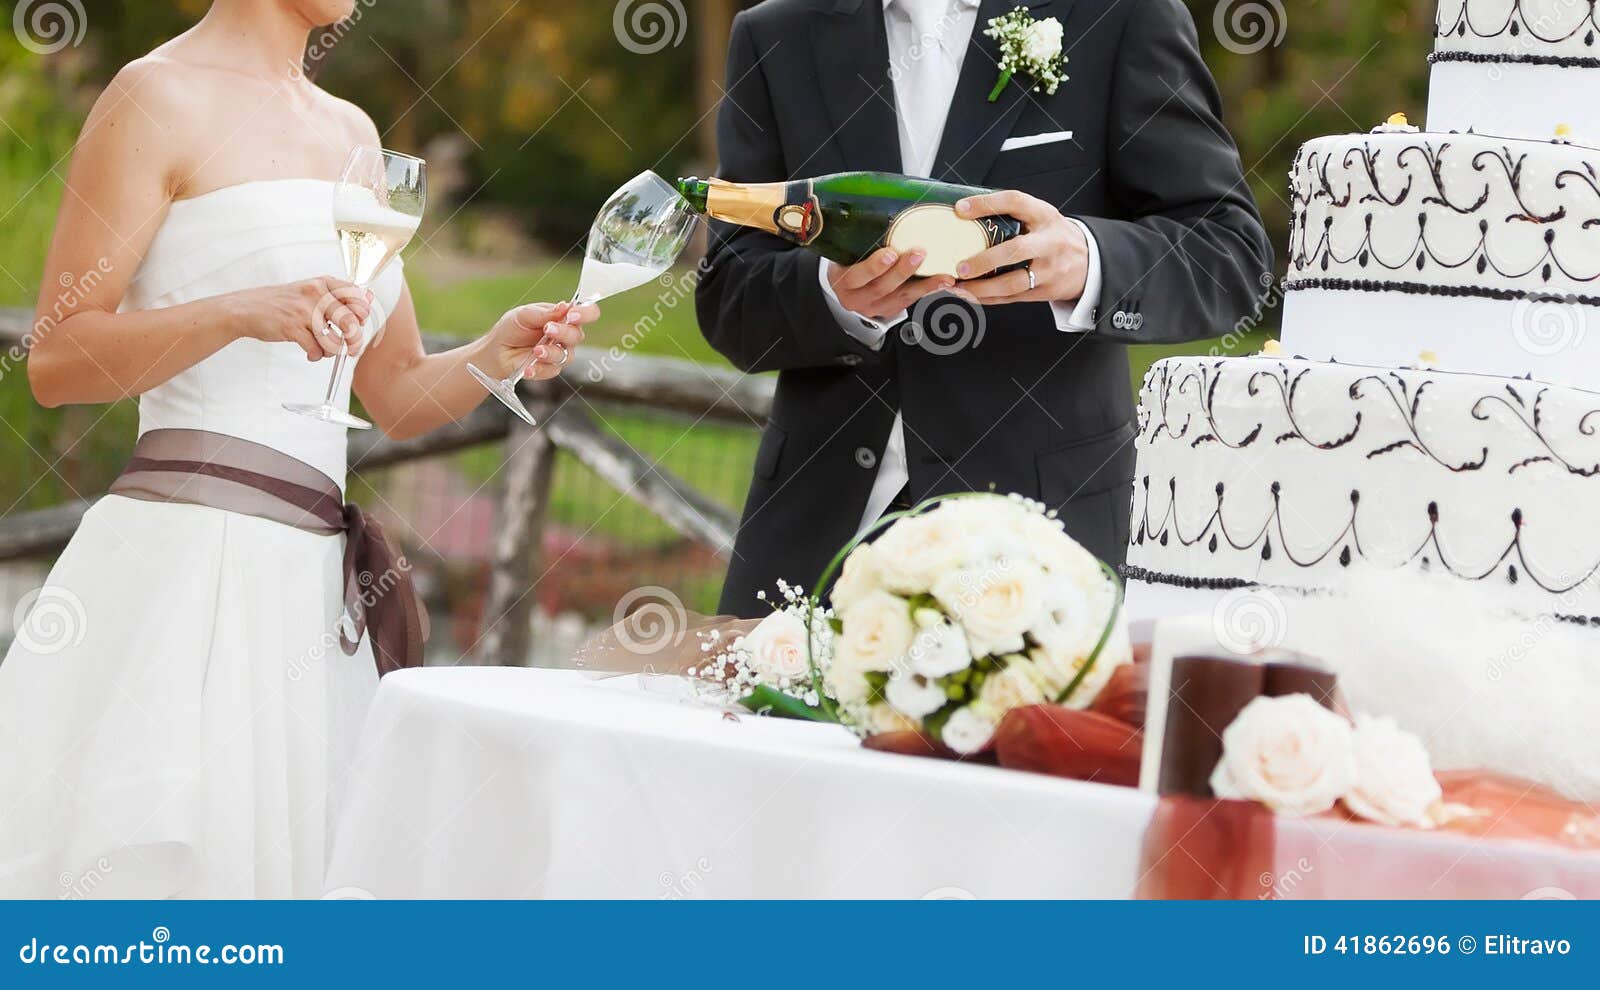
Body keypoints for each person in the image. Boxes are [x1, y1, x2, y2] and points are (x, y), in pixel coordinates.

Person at [0, 0, 596, 898]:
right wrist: (245, 311)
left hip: (316, 604)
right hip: (184, 577)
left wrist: (489, 356)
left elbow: (393, 395)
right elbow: (57, 359)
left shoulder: (351, 131)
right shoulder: (152, 96)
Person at [696, 0, 1273, 615]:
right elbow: (730, 297)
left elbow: (1231, 253)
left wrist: (1089, 259)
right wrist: (833, 297)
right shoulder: (776, 32)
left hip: (1041, 557)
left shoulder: (1124, 16)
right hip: (810, 554)